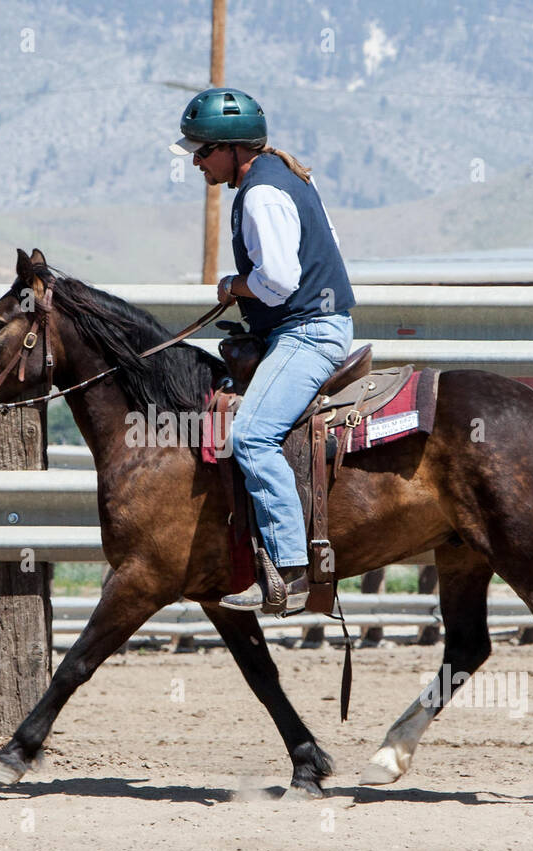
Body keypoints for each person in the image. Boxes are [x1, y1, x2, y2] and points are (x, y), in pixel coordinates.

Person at [170, 87, 356, 613]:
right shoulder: (284, 177)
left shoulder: (261, 194)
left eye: (203, 151)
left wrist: (232, 286)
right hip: (308, 324)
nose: (196, 162)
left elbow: (277, 281)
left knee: (251, 435)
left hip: (309, 333)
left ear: (232, 149)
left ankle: (293, 571)